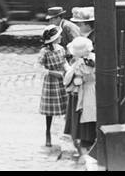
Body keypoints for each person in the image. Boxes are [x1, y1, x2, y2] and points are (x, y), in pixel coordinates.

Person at [62, 36, 98, 165]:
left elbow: (72, 81)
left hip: (83, 92)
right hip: (95, 90)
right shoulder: (94, 58)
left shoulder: (79, 64)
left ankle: (84, 146)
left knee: (82, 117)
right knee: (93, 115)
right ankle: (93, 141)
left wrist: (68, 69)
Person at [38, 26, 68, 148]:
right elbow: (39, 67)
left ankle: (66, 132)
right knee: (50, 110)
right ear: (54, 39)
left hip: (62, 80)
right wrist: (51, 73)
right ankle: (48, 133)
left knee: (65, 106)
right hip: (51, 81)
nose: (61, 37)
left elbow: (64, 62)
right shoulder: (44, 52)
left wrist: (68, 71)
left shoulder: (61, 49)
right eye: (59, 36)